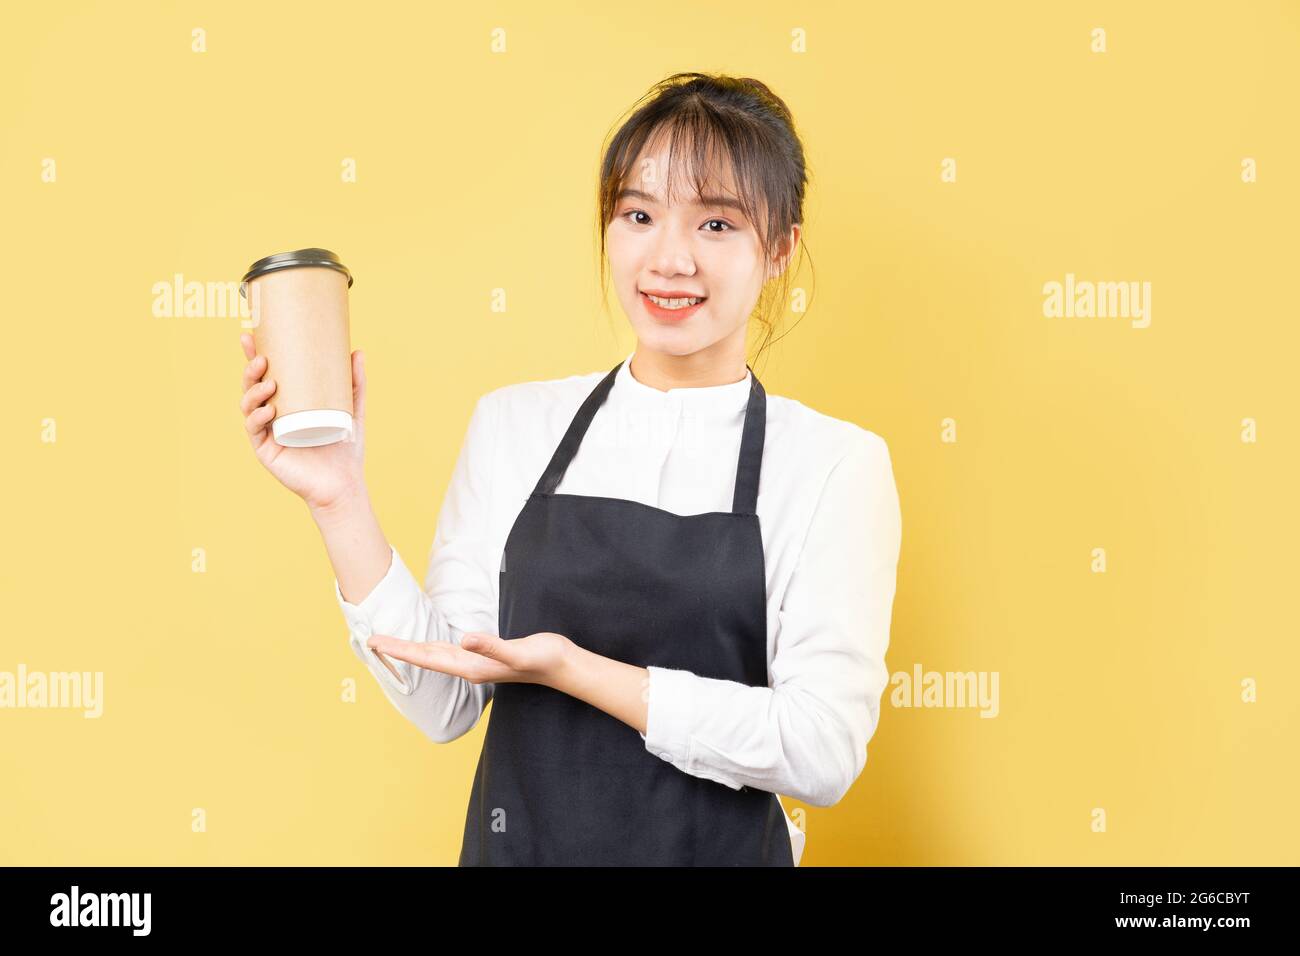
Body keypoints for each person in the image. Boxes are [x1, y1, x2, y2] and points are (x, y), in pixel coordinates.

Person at [238, 72, 902, 866]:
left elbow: (822, 749)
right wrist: (339, 497)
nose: (670, 259)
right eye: (639, 215)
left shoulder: (833, 465)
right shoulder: (516, 425)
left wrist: (578, 670)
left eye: (717, 223)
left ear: (780, 248)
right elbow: (446, 699)